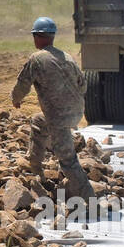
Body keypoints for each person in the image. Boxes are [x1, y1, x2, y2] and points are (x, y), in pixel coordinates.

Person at [11, 16, 95, 201]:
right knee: (37, 121)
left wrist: (16, 99)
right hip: (74, 113)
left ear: (38, 37)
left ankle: (90, 199)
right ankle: (35, 167)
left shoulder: (37, 59)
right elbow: (83, 86)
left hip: (58, 118)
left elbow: (22, 84)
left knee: (67, 159)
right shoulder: (67, 58)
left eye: (35, 36)